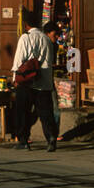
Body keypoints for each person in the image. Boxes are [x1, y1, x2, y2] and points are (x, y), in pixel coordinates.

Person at [12, 13, 58, 152]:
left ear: (26, 24)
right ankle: (51, 137)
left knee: (23, 111)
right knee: (46, 112)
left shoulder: (25, 38)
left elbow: (19, 60)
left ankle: (23, 140)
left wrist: (15, 78)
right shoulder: (46, 39)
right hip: (44, 82)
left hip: (27, 82)